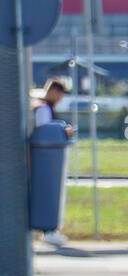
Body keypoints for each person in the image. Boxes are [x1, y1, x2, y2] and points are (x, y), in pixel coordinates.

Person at [31, 79, 73, 248]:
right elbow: (45, 131)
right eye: (60, 94)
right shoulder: (44, 108)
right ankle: (48, 231)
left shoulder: (40, 105)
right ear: (54, 91)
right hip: (45, 159)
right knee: (47, 191)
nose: (61, 98)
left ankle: (48, 230)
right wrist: (63, 131)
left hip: (43, 158)